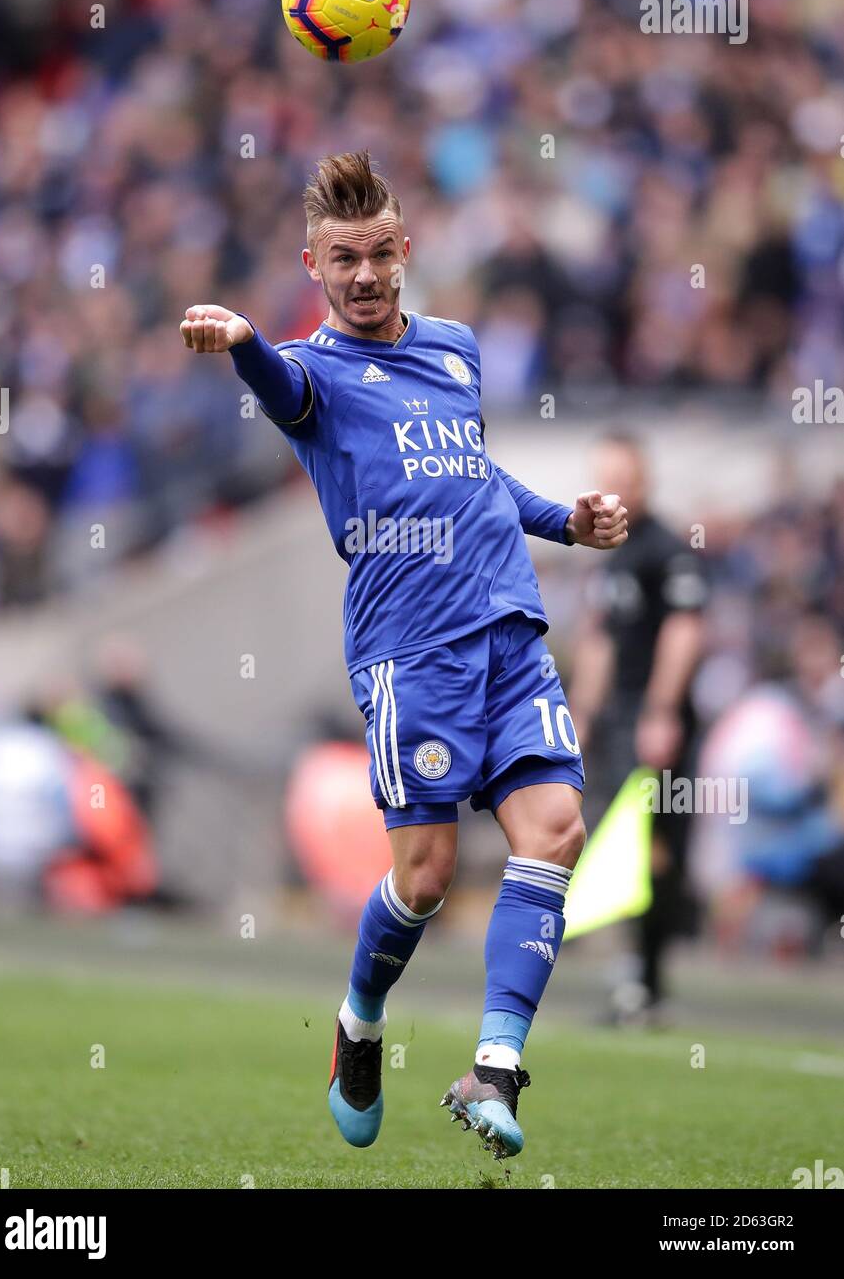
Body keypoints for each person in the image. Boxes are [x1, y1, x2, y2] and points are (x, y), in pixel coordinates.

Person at [179, 151, 628, 1160]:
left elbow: (469, 473)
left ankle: (496, 1069)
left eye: (382, 253)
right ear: (314, 264)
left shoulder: (457, 350)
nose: (368, 275)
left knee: (554, 830)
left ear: (407, 252)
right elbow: (274, 382)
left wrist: (567, 521)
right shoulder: (311, 374)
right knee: (423, 878)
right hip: (407, 648)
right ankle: (359, 1022)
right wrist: (244, 340)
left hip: (506, 625)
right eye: (345, 259)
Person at [569, 434, 707, 1023]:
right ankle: (634, 979)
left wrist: (660, 711)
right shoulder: (613, 557)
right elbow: (600, 637)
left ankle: (644, 979)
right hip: (618, 720)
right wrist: (579, 712)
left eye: (619, 476)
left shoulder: (668, 550)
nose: (609, 489)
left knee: (651, 848)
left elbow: (684, 632)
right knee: (621, 844)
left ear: (643, 481)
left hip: (653, 721)